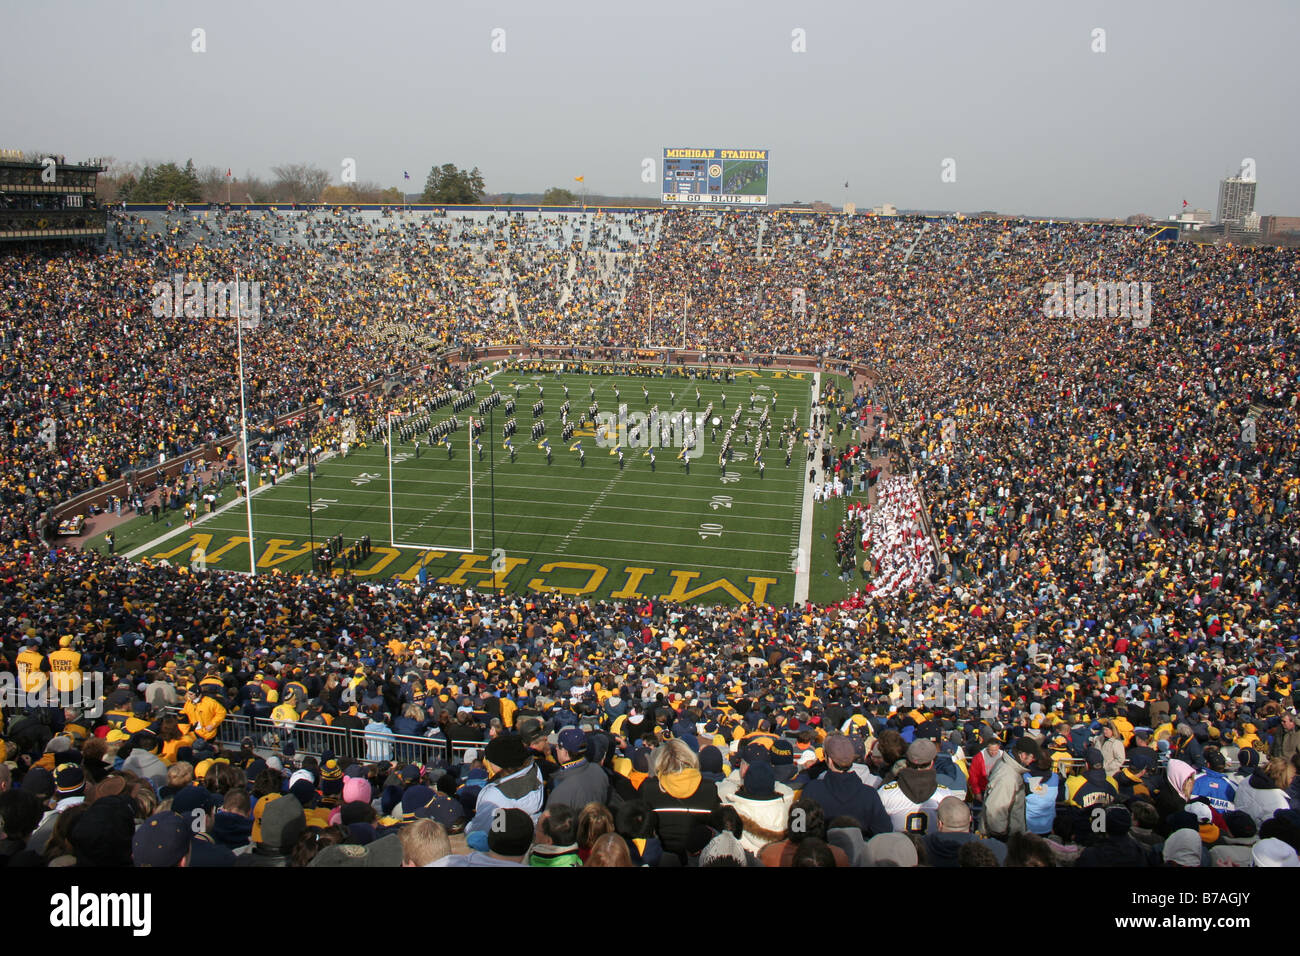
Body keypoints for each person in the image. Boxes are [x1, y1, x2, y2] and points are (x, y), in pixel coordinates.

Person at [800, 734, 892, 837]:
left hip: (821, 851)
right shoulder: (870, 794)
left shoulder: (812, 790)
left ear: (829, 760)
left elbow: (797, 829)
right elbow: (885, 831)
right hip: (859, 850)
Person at [979, 736, 1038, 841]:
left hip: (1009, 834)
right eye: (1032, 757)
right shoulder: (1007, 776)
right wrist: (1001, 836)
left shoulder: (1009, 766)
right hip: (1004, 838)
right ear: (1023, 755)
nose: (1033, 761)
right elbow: (995, 809)